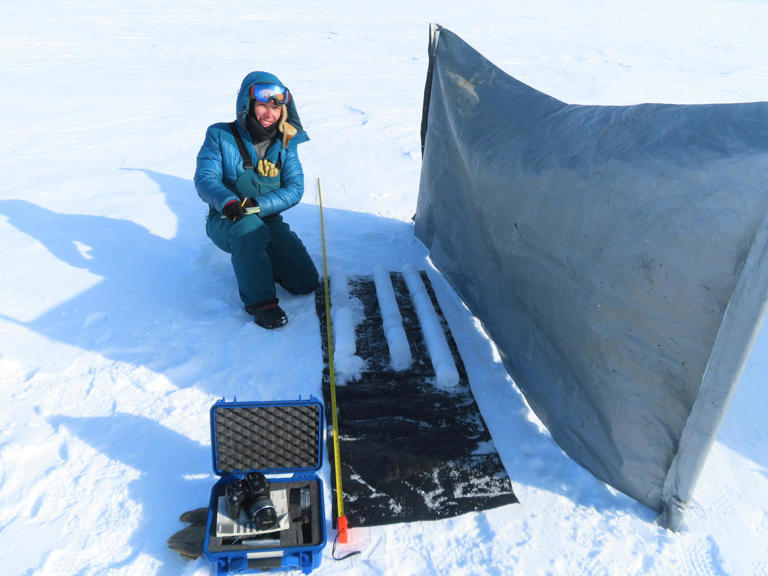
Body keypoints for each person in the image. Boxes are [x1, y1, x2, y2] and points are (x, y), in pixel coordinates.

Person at [194, 72, 319, 328]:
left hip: (265, 217)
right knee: (248, 230)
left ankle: (259, 259)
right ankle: (260, 302)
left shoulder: (286, 142)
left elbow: (294, 189)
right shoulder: (219, 134)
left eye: (275, 107)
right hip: (226, 218)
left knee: (305, 282)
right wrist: (228, 202)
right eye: (262, 105)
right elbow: (205, 178)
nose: (268, 113)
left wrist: (257, 206)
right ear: (247, 105)